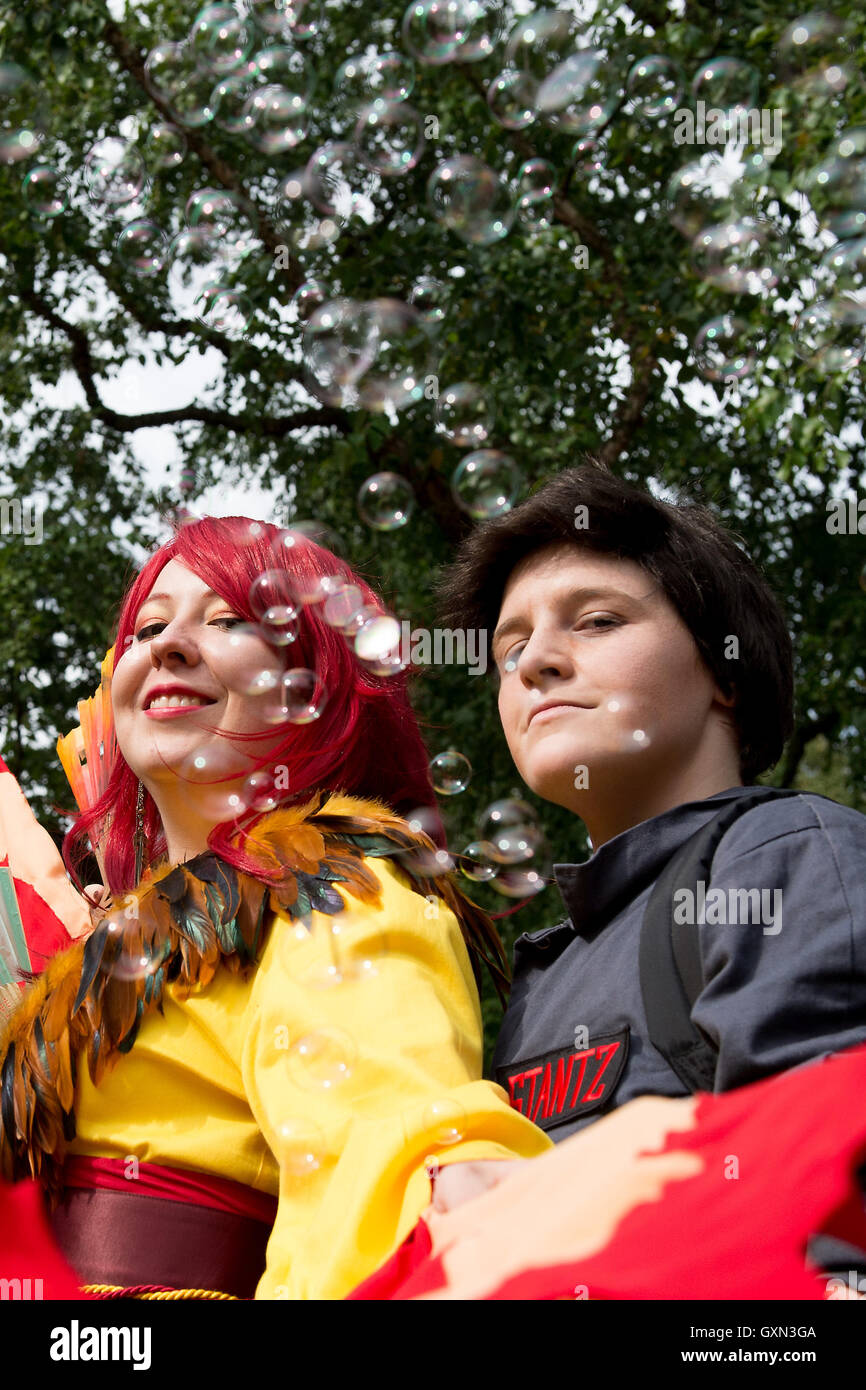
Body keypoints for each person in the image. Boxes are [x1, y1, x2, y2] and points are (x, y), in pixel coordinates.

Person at [0, 515, 550, 1301]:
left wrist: (466, 1208)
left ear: (318, 687)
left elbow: (390, 1144)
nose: (170, 644)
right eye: (149, 627)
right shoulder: (118, 935)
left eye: (227, 621)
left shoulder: (333, 886)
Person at [433, 460, 866, 1283]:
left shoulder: (782, 855)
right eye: (511, 647)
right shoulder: (545, 968)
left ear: (724, 674)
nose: (534, 664)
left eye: (595, 621)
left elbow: (829, 1210)